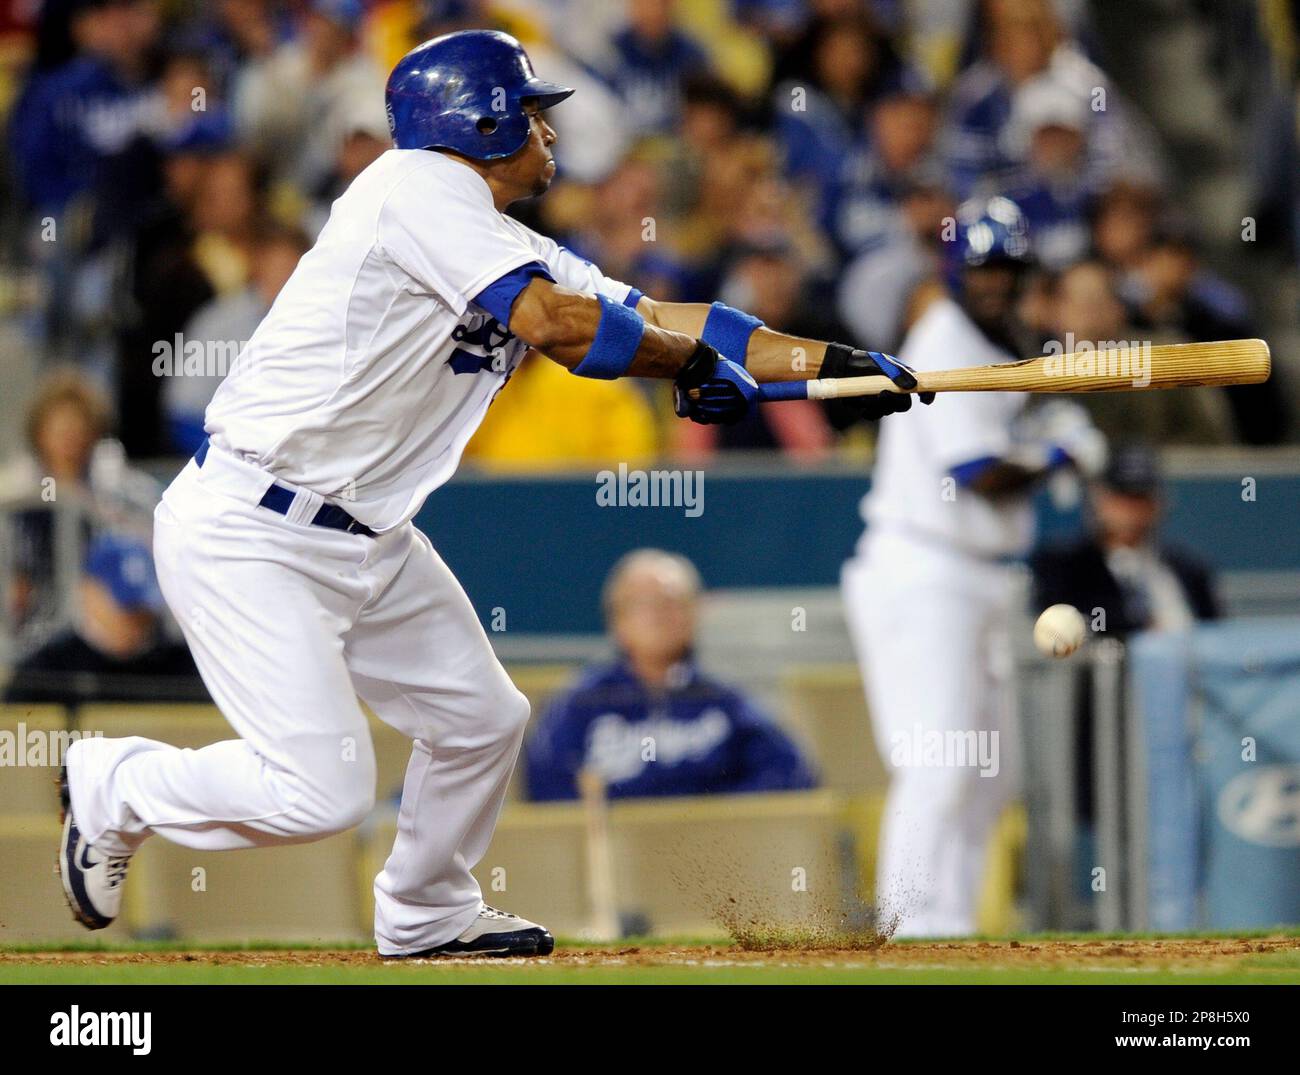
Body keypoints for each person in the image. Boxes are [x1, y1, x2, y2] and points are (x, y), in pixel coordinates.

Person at [57, 30, 922, 959]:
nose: (549, 131)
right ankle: (119, 783)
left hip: (367, 532)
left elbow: (671, 320)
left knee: (483, 721)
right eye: (534, 112)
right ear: (481, 120)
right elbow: (558, 327)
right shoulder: (415, 186)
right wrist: (687, 363)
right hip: (254, 525)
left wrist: (829, 368)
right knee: (321, 788)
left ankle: (424, 909)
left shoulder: (503, 235)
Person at [840, 196, 1105, 938]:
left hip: (978, 573)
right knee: (939, 761)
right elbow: (978, 469)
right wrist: (1061, 452)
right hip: (925, 568)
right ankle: (909, 926)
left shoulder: (1001, 337)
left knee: (994, 773)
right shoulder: (946, 336)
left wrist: (1049, 420)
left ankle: (949, 922)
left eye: (1010, 268)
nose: (997, 282)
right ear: (956, 268)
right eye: (985, 267)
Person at [526, 549, 816, 800]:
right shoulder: (581, 702)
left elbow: (790, 773)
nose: (659, 615)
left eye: (673, 602)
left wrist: (719, 821)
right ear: (617, 620)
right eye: (643, 604)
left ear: (694, 615)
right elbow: (546, 786)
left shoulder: (723, 700)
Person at [1031, 444, 1220, 638]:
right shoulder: (1066, 566)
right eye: (1122, 496)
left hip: (1187, 663)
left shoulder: (1188, 567)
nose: (1131, 510)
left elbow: (1217, 633)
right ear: (1099, 497)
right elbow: (1063, 628)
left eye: (1141, 497)